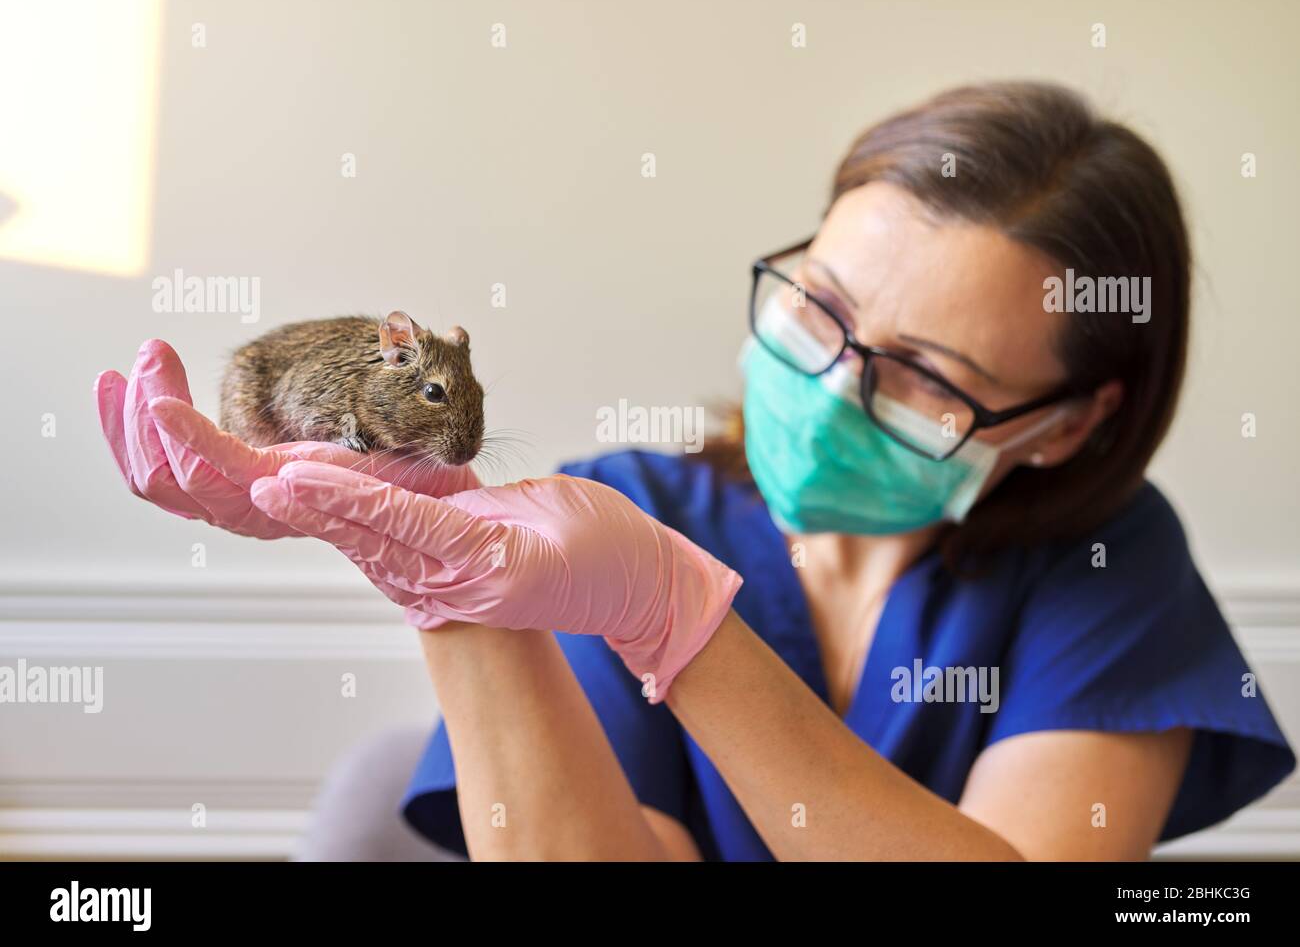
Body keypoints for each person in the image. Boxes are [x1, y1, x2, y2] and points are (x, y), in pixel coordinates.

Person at [97, 81, 1294, 861]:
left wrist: (676, 616)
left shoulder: (1108, 569)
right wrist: (441, 573)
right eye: (817, 308)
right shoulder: (621, 507)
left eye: (925, 373)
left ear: (1068, 423)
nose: (830, 387)